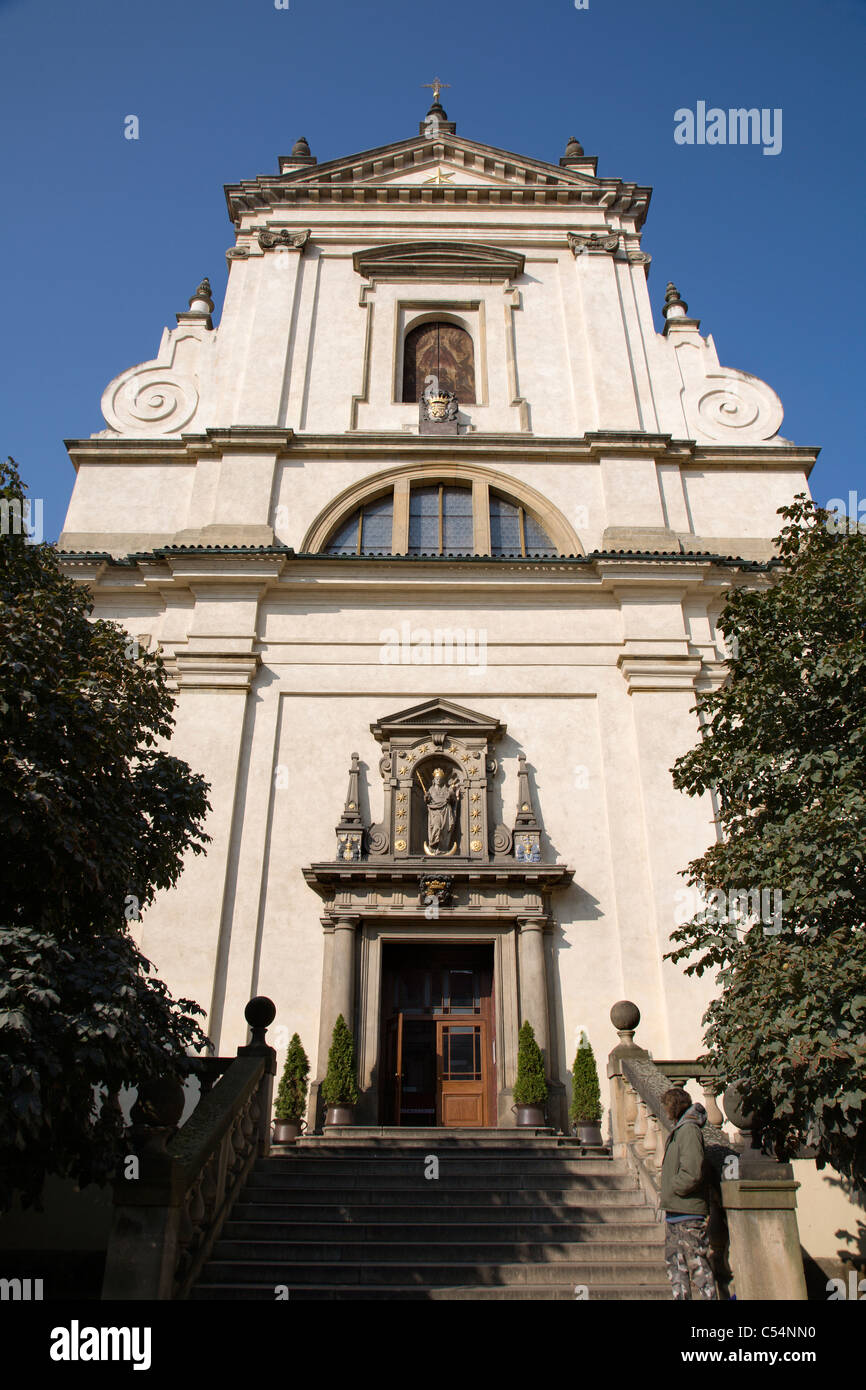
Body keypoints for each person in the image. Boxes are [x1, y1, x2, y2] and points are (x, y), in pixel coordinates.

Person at [660, 1088, 717, 1300]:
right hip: (675, 1212)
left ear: (675, 1106)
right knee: (676, 1270)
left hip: (688, 1213)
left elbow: (693, 1171)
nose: (665, 1110)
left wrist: (673, 1187)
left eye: (667, 1105)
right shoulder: (680, 1129)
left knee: (698, 1268)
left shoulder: (689, 1130)